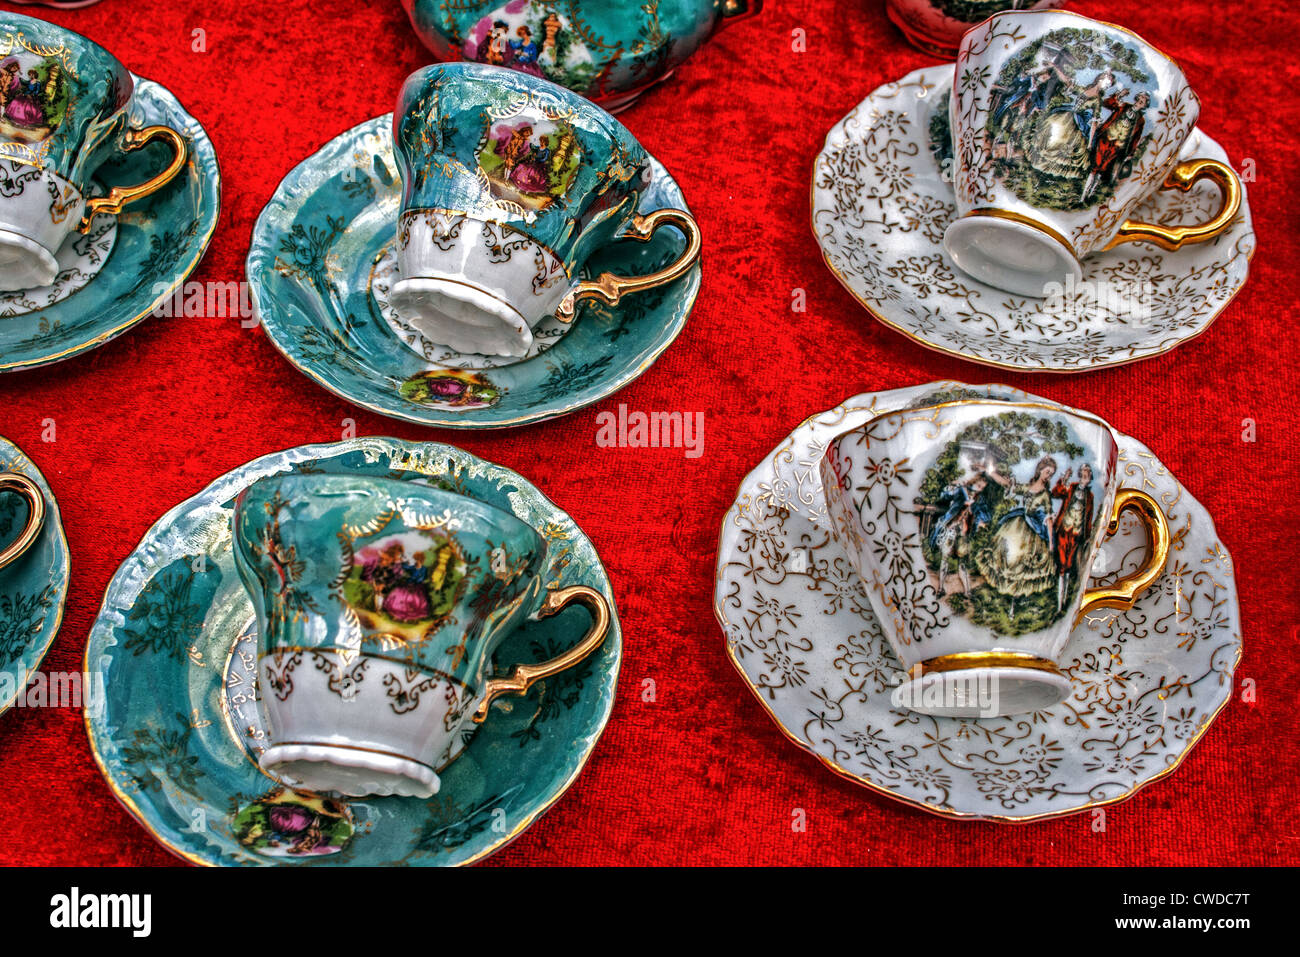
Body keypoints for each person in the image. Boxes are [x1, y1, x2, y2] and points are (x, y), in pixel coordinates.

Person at [975, 456, 1059, 618]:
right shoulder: (1028, 487)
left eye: (1051, 474)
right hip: (1018, 524)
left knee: (1022, 564)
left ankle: (1016, 603)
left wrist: (1050, 543)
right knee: (1006, 556)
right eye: (1047, 472)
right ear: (1040, 470)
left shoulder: (1045, 494)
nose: (1048, 476)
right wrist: (988, 470)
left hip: (1033, 531)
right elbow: (1006, 483)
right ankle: (1005, 599)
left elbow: (1048, 519)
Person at [1082, 91, 1148, 201]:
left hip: (1117, 147)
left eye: (1143, 101)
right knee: (1095, 166)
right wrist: (1119, 95)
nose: (1140, 101)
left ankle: (1091, 193)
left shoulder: (1140, 120)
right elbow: (1107, 103)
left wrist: (1130, 154)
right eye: (1140, 98)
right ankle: (1084, 194)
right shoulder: (1124, 106)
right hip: (1106, 140)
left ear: (1145, 105)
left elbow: (1135, 138)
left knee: (1103, 170)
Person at [1050, 464, 1095, 612]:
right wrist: (1064, 478)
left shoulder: (1091, 496)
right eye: (1083, 473)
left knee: (1070, 566)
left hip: (1076, 534)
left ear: (1090, 478)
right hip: (1064, 530)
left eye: (1088, 474)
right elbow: (1055, 493)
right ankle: (1058, 603)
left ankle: (1065, 604)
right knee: (1061, 564)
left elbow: (1088, 518)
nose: (1085, 476)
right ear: (1080, 474)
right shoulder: (1072, 487)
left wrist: (1088, 537)